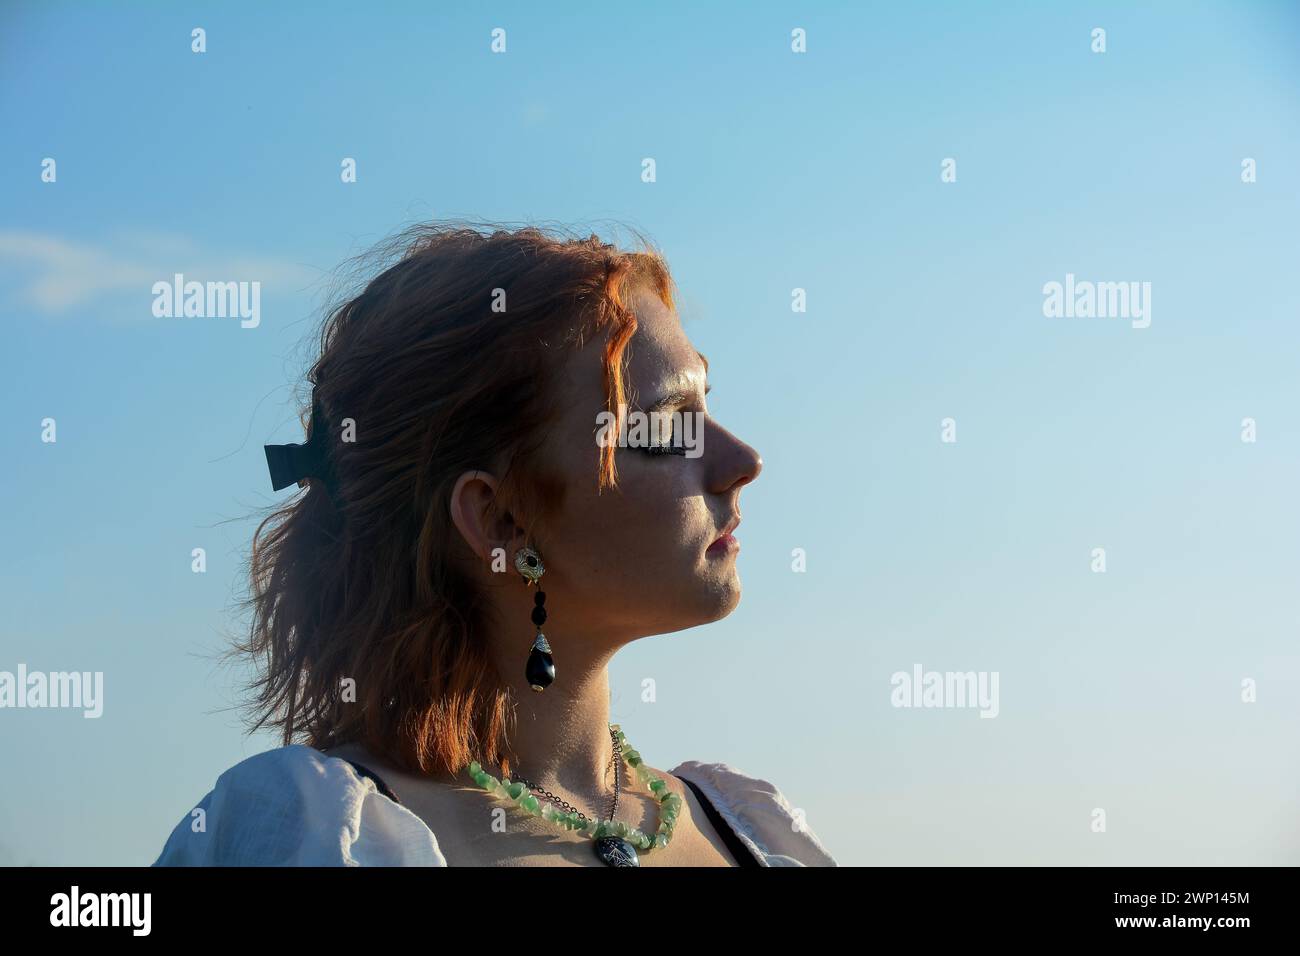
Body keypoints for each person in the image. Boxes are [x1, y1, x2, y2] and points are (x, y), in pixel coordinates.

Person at [154, 222, 836, 867]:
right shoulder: (317, 834)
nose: (742, 461)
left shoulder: (749, 829)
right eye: (665, 430)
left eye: (708, 407)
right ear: (501, 520)